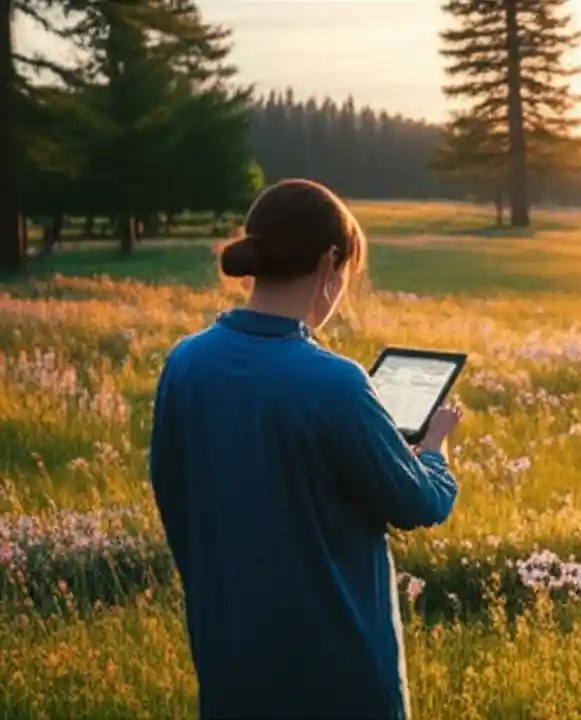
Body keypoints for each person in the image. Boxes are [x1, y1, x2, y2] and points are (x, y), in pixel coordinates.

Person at [148, 179, 462, 719]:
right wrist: (433, 448)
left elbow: (171, 489)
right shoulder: (335, 383)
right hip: (337, 670)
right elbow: (420, 504)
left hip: (230, 658)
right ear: (328, 262)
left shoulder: (186, 362)